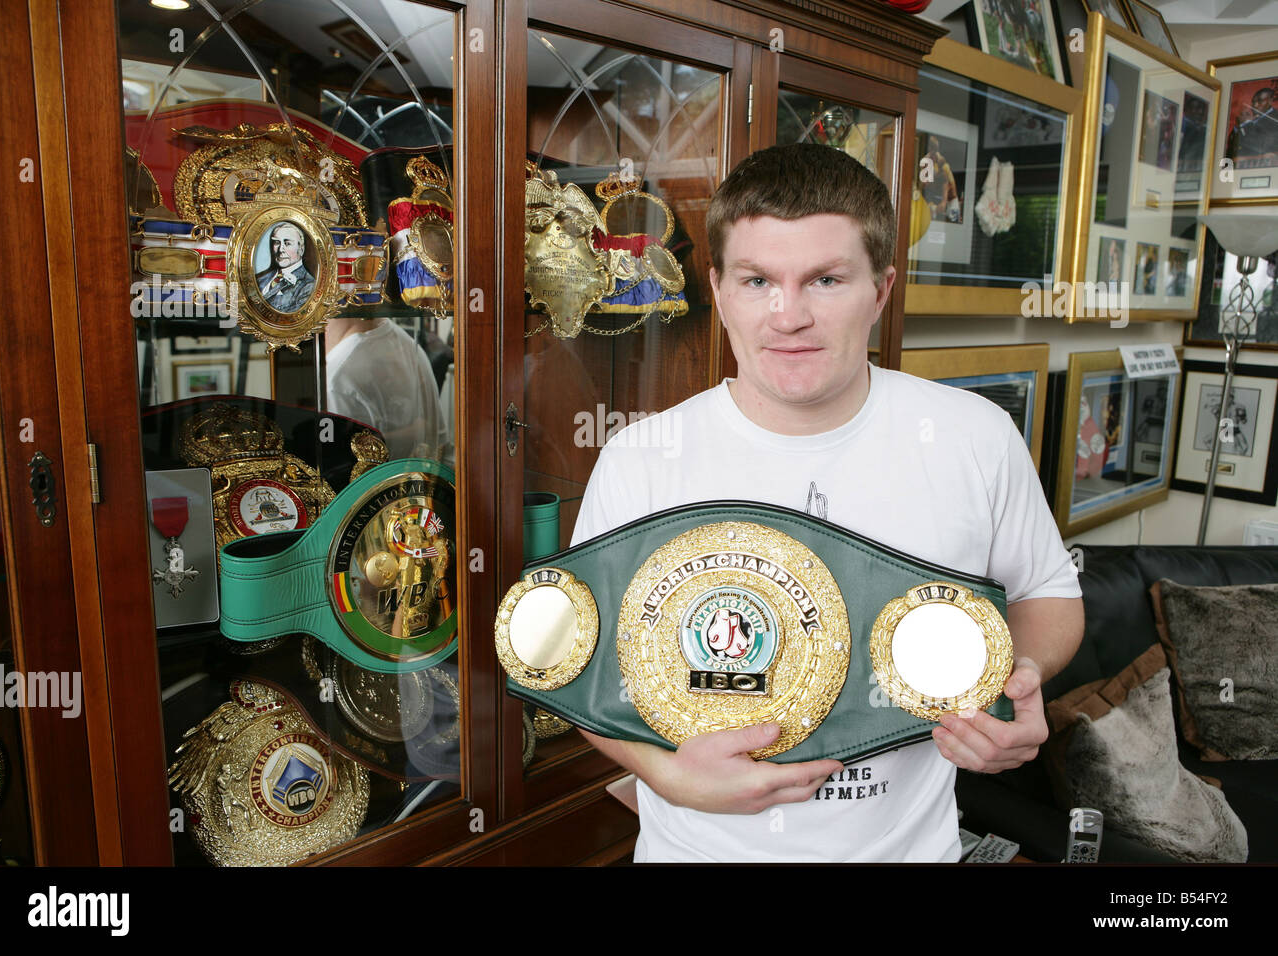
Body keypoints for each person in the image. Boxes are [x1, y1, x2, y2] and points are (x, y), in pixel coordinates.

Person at [570, 142, 1084, 863]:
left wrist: (1014, 683)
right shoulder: (640, 460)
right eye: (757, 280)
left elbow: (1048, 595)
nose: (788, 316)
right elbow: (573, 668)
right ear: (717, 291)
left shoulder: (975, 436)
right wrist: (666, 776)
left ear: (881, 290)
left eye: (826, 279)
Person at [326, 316, 451, 463]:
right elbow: (438, 441)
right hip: (425, 479)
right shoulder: (409, 345)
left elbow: (340, 471)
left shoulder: (338, 377)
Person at [256, 221, 316, 313]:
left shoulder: (309, 286)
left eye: (287, 243)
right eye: (277, 242)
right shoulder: (260, 279)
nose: (281, 249)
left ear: (301, 248)